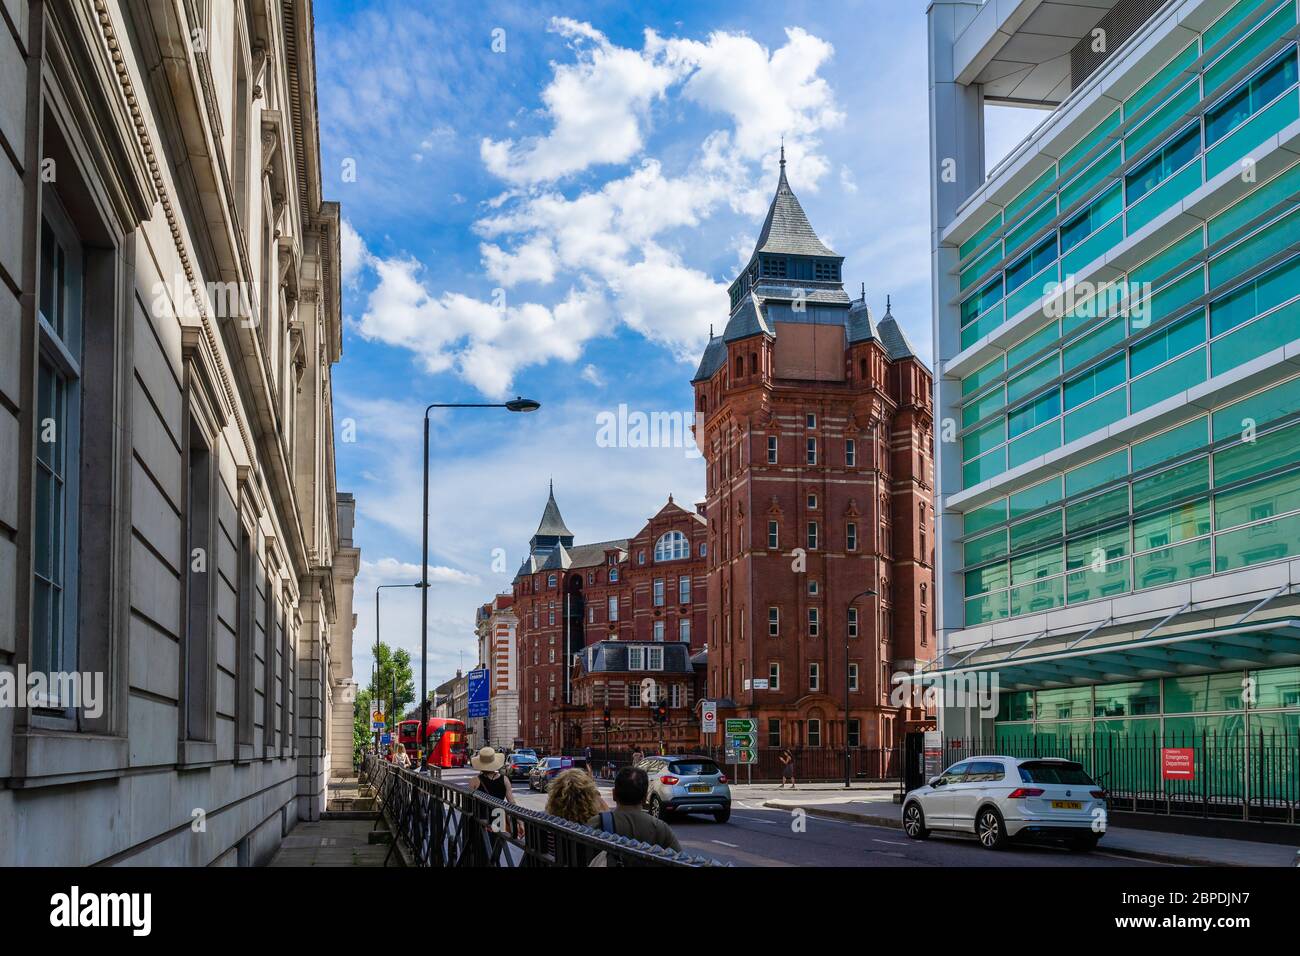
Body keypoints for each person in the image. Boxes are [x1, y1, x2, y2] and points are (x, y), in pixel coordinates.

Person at [586, 766, 682, 854]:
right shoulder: (661, 828)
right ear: (645, 798)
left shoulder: (596, 823)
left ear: (614, 795)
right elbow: (680, 858)